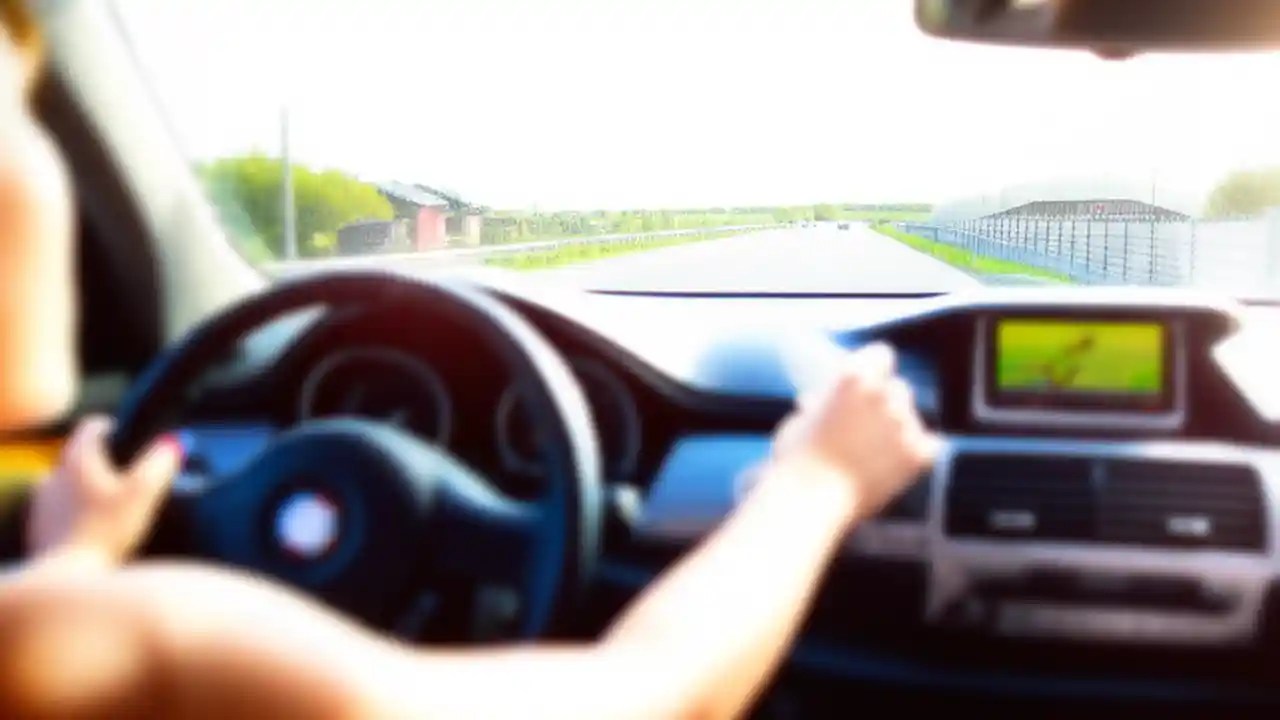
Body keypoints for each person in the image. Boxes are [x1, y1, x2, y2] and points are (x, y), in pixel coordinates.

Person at [0, 4, 937, 719]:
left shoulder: (51, 625)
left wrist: (73, 560)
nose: (39, 168)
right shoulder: (71, 637)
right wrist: (819, 480)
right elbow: (648, 696)